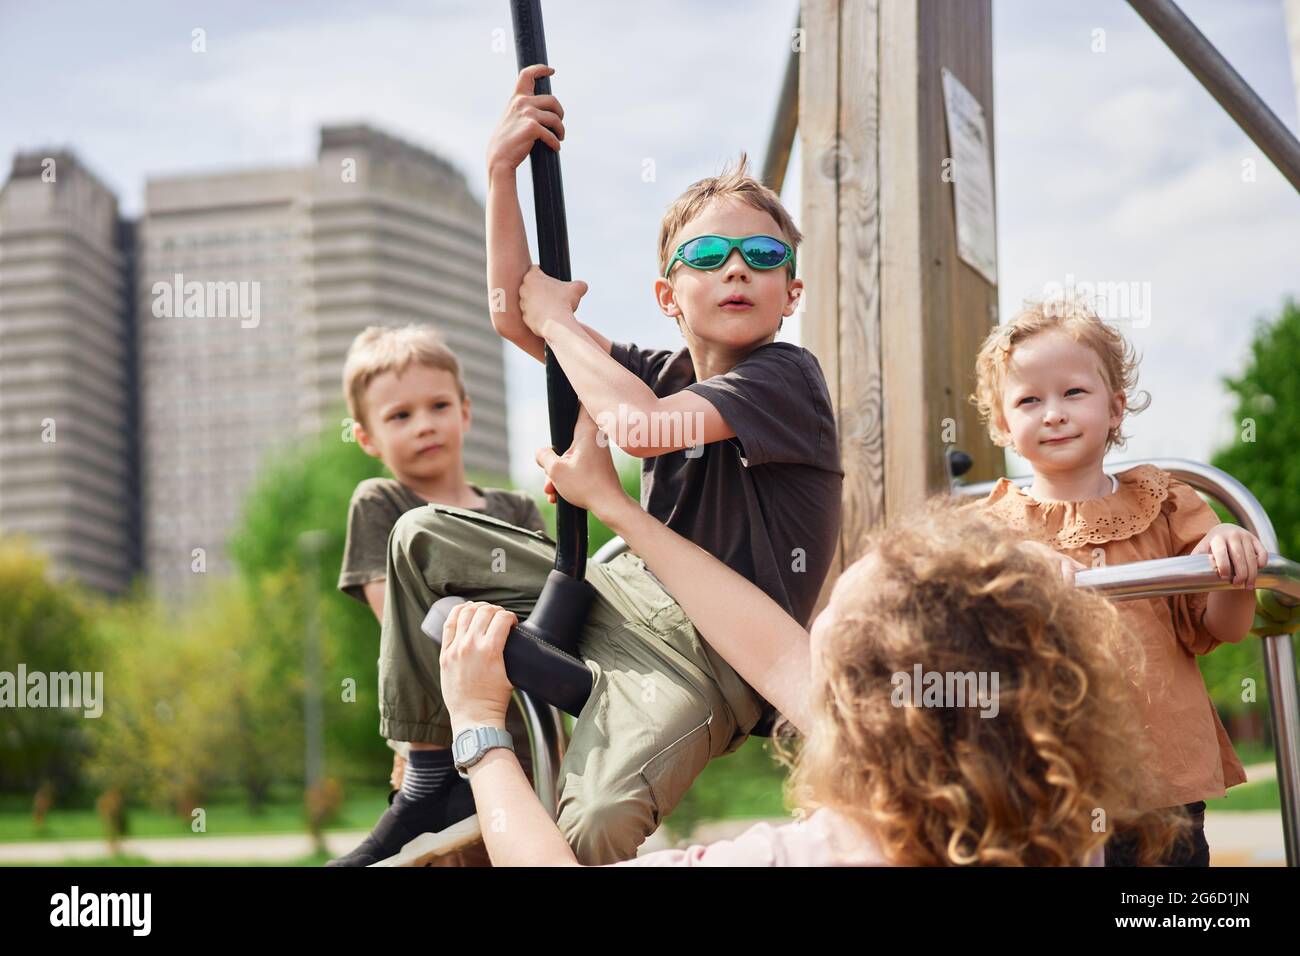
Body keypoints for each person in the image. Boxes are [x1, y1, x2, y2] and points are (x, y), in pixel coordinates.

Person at [331, 62, 843, 866]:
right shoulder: (658, 370)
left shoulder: (787, 380)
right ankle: (433, 775)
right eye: (707, 253)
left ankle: (538, 749)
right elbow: (517, 318)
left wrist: (559, 325)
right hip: (621, 591)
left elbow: (637, 430)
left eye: (761, 252)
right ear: (669, 295)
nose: (735, 266)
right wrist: (502, 174)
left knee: (597, 819)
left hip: (717, 657)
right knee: (421, 535)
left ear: (792, 289)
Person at [435, 411, 1183, 866]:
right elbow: (766, 649)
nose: (807, 628)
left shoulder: (804, 855)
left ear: (863, 717)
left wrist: (476, 728)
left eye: (828, 625)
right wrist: (619, 509)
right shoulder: (1053, 832)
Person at [969, 296, 1263, 866]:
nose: (1053, 412)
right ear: (1004, 425)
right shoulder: (991, 532)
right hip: (1044, 790)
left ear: (1116, 408)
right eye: (1030, 400)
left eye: (1074, 392)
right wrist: (1020, 575)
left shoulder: (1165, 505)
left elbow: (1225, 629)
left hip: (1162, 787)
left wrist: (1230, 562)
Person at [328, 324, 545, 866]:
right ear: (367, 437)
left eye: (438, 406)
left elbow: (548, 621)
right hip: (438, 736)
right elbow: (399, 621)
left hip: (525, 737)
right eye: (400, 416)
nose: (424, 425)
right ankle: (429, 790)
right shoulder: (382, 501)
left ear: (465, 412)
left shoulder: (514, 512)